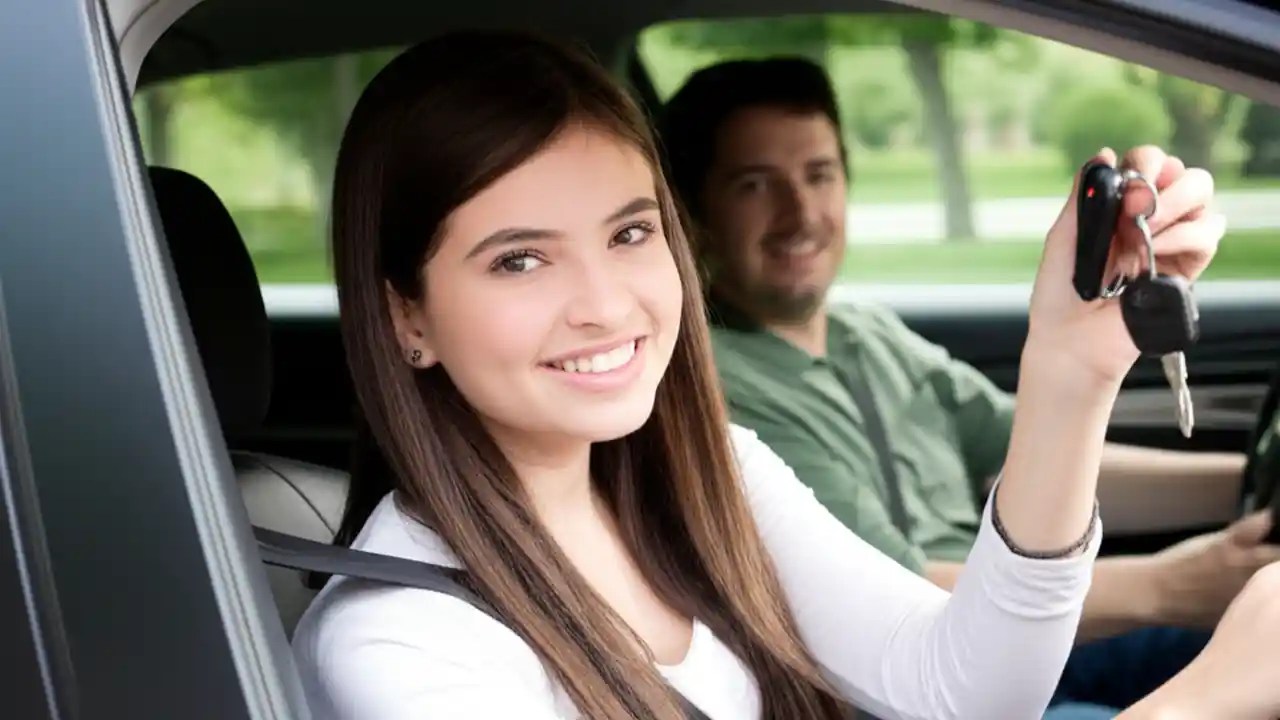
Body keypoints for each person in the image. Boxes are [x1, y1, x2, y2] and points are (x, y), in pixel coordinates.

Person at [287, 30, 1266, 720]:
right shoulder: (404, 644)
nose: (606, 302)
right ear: (404, 316)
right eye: (520, 258)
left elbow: (960, 689)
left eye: (628, 233)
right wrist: (1198, 704)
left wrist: (1071, 363)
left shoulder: (709, 472)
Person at [658, 57, 1280, 714]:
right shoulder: (716, 392)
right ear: (694, 211)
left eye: (819, 175)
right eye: (755, 185)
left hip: (1032, 635)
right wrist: (1171, 586)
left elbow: (1034, 456)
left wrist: (1244, 477)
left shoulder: (868, 335)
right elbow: (905, 605)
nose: (800, 213)